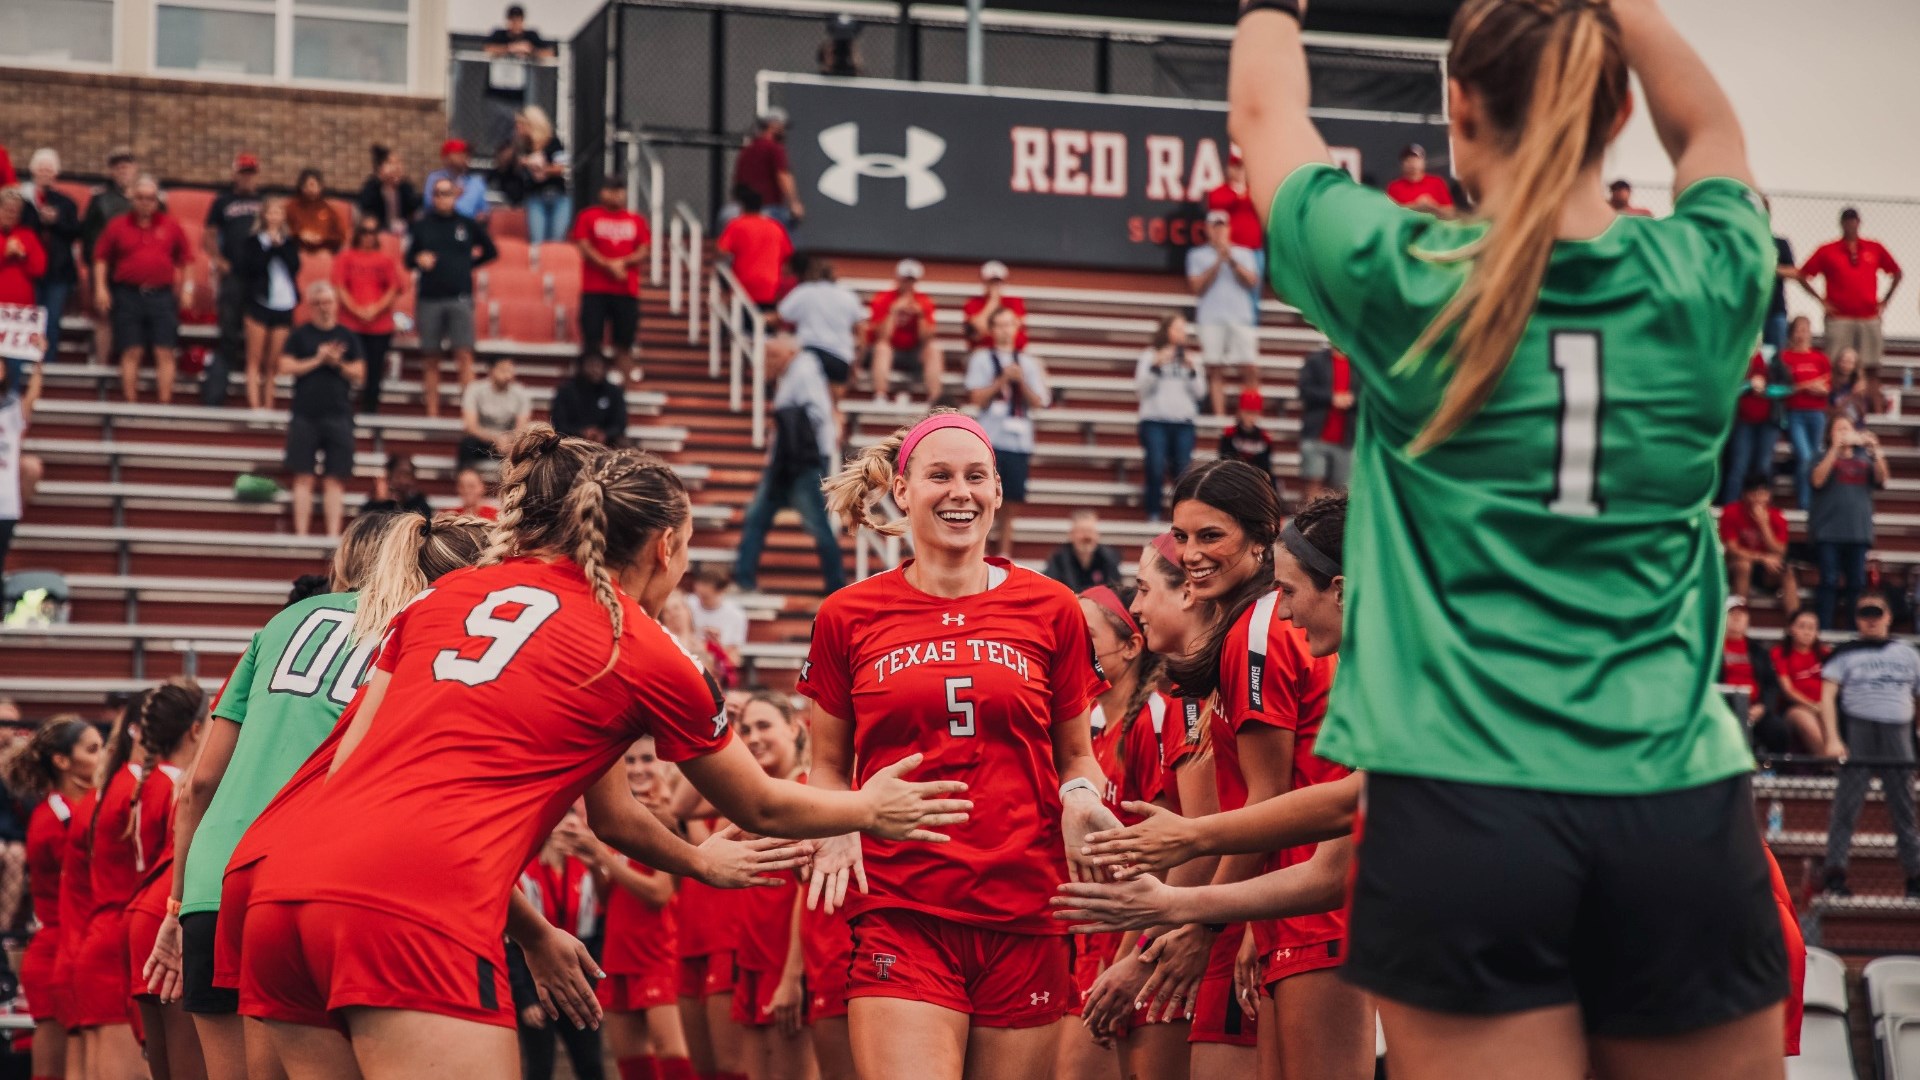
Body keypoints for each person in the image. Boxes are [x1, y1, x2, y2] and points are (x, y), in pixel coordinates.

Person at [1236, 0, 1787, 1075]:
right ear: (1614, 106)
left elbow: (1264, 113)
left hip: (1459, 808)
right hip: (1670, 797)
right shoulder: (1707, 277)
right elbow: (1712, 137)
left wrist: (1271, 8)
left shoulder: (1409, 275)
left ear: (1459, 112)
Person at [228, 430, 967, 1079]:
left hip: (280, 883)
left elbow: (352, 768)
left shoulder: (445, 595)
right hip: (412, 908)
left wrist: (699, 865)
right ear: (665, 546)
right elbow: (761, 802)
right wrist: (869, 808)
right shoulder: (643, 647)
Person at [804, 411, 1117, 1080]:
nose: (959, 492)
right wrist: (835, 822)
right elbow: (827, 764)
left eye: (977, 477)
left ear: (998, 491)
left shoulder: (1052, 606)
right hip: (903, 906)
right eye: (939, 476)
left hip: (1028, 909)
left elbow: (1075, 755)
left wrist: (1083, 797)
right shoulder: (845, 615)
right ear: (901, 490)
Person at [139, 514, 488, 1080]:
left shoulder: (285, 621)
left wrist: (175, 906)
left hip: (213, 880)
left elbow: (199, 783)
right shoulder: (425, 627)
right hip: (315, 880)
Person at [122, 680, 212, 1080]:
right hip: (169, 912)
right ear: (196, 728)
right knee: (189, 1066)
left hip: (143, 910)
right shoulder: (185, 783)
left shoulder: (145, 780)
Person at [7, 715, 102, 1080]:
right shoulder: (57, 817)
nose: (102, 756)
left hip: (80, 945)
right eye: (92, 750)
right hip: (59, 949)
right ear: (62, 761)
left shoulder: (84, 807)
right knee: (54, 1073)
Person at [589, 741, 691, 1080]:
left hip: (658, 950)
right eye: (629, 761)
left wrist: (600, 855)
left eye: (647, 759)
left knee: (672, 1057)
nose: (637, 768)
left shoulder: (666, 818)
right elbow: (607, 897)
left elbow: (659, 893)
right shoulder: (616, 819)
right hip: (619, 951)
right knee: (631, 1063)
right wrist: (593, 860)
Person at [728, 694, 812, 1080]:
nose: (753, 737)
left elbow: (806, 891)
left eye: (764, 726)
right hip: (752, 960)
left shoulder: (807, 789)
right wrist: (718, 731)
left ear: (794, 729)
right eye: (746, 730)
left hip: (788, 963)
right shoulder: (749, 799)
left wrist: (792, 977)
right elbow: (684, 805)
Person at [1818, 592, 1920, 900]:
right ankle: (1835, 874)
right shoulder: (1845, 653)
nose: (1872, 619)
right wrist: (1833, 738)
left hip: (1898, 732)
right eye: (1865, 613)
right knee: (1845, 807)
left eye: (1878, 613)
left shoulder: (1908, 653)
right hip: (1859, 731)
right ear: (1857, 618)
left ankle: (1915, 876)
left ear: (1889, 616)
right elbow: (1826, 696)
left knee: (1904, 808)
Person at [734, 339, 846, 593]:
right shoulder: (794, 372)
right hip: (786, 463)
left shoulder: (804, 370)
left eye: (773, 354)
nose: (768, 361)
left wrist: (794, 434)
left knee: (817, 524)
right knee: (757, 517)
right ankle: (743, 578)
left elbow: (817, 415)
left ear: (789, 352)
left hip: (802, 463)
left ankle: (836, 585)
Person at [514, 812, 607, 1080]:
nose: (569, 834)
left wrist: (592, 986)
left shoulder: (587, 873)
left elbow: (599, 931)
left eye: (575, 831)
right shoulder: (526, 873)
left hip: (578, 983)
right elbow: (511, 942)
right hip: (537, 983)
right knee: (540, 1068)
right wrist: (525, 999)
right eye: (564, 828)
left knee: (591, 1066)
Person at [93, 175, 191, 405]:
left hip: (162, 296)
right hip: (128, 295)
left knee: (164, 352)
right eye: (141, 197)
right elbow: (100, 258)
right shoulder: (117, 225)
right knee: (131, 351)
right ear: (133, 199)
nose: (145, 202)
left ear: (157, 201)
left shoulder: (171, 225)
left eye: (150, 198)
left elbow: (187, 259)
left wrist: (187, 288)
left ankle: (165, 404)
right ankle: (130, 403)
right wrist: (100, 288)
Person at [279, 282, 365, 538]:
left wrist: (336, 362)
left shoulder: (348, 336)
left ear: (334, 304)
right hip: (305, 413)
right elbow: (285, 366)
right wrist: (318, 359)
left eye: (327, 302)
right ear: (310, 306)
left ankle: (332, 536)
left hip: (338, 414)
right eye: (318, 303)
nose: (323, 308)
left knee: (334, 478)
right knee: (303, 476)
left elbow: (359, 373)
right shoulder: (300, 335)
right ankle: (301, 534)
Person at [965, 305, 1051, 558]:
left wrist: (1021, 381)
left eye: (1009, 325)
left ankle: (1003, 553)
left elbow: (1039, 402)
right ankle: (980, 550)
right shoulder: (982, 358)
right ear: (992, 330)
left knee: (1010, 502)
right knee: (984, 497)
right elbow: (977, 398)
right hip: (990, 438)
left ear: (1017, 328)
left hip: (1018, 441)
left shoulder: (1029, 362)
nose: (1005, 330)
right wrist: (1002, 380)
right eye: (999, 325)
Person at [408, 175, 498, 417]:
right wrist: (419, 259)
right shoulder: (422, 225)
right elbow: (408, 259)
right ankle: (432, 412)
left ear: (455, 196)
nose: (442, 198)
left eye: (447, 193)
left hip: (459, 297)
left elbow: (491, 251)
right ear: (432, 197)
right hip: (429, 298)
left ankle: (468, 413)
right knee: (430, 357)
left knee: (464, 354)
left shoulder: (467, 224)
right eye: (437, 194)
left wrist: (468, 264)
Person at [1799, 208, 1902, 379]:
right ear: (1841, 223)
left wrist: (1885, 301)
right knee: (1835, 364)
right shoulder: (1828, 250)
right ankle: (1835, 402)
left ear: (1859, 223)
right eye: (1847, 221)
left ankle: (1869, 403)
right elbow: (1803, 275)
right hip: (1839, 317)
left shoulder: (1873, 248)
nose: (1850, 224)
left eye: (1853, 220)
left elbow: (1897, 272)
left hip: (1868, 316)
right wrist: (1821, 301)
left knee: (1871, 366)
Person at [1810, 414, 1887, 629]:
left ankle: (1854, 629)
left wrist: (1877, 450)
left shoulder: (1865, 458)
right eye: (1838, 429)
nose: (1844, 433)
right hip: (1828, 530)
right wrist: (1835, 449)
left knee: (1856, 584)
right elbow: (1817, 480)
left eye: (1847, 428)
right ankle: (1824, 628)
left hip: (1858, 531)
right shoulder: (1820, 456)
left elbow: (1882, 479)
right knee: (1828, 581)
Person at [571, 173, 648, 379]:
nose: (616, 195)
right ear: (601, 192)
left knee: (624, 339)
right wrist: (608, 265)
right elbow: (583, 245)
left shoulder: (636, 220)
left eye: (620, 190)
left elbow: (643, 249)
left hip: (626, 290)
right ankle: (590, 378)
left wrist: (622, 263)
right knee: (592, 338)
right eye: (611, 189)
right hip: (595, 289)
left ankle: (623, 381)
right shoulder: (589, 216)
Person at [203, 153, 264, 406]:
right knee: (228, 334)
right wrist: (218, 260)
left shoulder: (264, 202)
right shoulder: (222, 201)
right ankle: (216, 393)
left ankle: (254, 392)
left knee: (257, 335)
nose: (247, 177)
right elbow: (209, 235)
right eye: (243, 172)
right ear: (234, 174)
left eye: (251, 172)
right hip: (234, 277)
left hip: (259, 278)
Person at [1187, 210, 1261, 416]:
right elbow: (1197, 287)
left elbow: (1252, 282)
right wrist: (1218, 262)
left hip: (1241, 317)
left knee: (1249, 368)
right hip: (1211, 318)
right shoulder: (1197, 255)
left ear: (1229, 229)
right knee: (1215, 368)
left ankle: (1248, 415)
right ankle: (1220, 417)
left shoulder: (1244, 253)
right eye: (1214, 227)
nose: (1219, 232)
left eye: (1222, 227)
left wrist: (1231, 260)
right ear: (1208, 230)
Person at [1134, 312, 1205, 522]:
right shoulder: (1149, 355)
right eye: (1177, 328)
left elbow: (1201, 393)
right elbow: (1140, 389)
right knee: (1155, 465)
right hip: (1155, 420)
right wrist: (1156, 366)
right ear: (1166, 330)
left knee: (1183, 471)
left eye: (1183, 329)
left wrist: (1192, 370)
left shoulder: (1193, 359)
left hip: (1183, 422)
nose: (1182, 333)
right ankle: (1153, 511)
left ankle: (1180, 516)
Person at [332, 215, 406, 413]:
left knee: (374, 371)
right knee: (345, 368)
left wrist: (375, 309)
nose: (368, 236)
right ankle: (342, 408)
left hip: (379, 326)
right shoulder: (345, 257)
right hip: (349, 324)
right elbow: (340, 287)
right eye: (364, 231)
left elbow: (393, 289)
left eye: (372, 232)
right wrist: (356, 309)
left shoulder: (385, 260)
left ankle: (369, 411)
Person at [237, 196, 302, 410]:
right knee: (255, 358)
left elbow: (294, 265)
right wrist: (269, 249)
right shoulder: (253, 242)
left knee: (273, 362)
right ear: (264, 215)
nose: (274, 216)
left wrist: (279, 247)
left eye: (278, 212)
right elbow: (251, 268)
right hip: (259, 302)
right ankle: (254, 405)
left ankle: (268, 404)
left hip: (283, 303)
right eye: (271, 212)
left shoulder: (289, 242)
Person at [23, 149, 82, 374]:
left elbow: (75, 232)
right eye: (41, 169)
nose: (45, 173)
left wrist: (56, 221)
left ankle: (48, 363)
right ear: (33, 171)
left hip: (58, 272)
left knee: (52, 317)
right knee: (30, 316)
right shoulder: (25, 202)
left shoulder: (66, 203)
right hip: (31, 271)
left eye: (49, 169)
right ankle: (27, 357)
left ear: (55, 173)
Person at [775, 256, 864, 387]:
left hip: (810, 356)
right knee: (833, 405)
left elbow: (780, 316)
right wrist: (856, 364)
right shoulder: (848, 295)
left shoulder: (805, 291)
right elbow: (862, 333)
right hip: (841, 358)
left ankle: (769, 387)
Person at [865, 260, 941, 404]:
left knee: (933, 349)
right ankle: (880, 395)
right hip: (889, 350)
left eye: (911, 280)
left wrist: (920, 316)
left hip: (913, 352)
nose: (908, 284)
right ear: (898, 279)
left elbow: (927, 338)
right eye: (905, 280)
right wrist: (893, 312)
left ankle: (935, 399)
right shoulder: (883, 299)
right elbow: (882, 336)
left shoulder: (924, 301)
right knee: (882, 348)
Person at [1719, 475, 1796, 616]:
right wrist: (1762, 557)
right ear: (1745, 495)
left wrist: (1764, 525)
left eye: (1764, 494)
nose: (1759, 499)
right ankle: (1739, 615)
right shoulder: (1731, 512)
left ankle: (1794, 619)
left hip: (1765, 570)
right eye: (1755, 494)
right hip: (1735, 566)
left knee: (1787, 571)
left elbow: (1780, 551)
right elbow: (1732, 549)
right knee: (1744, 565)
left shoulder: (1776, 516)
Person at [497, 106, 571, 245]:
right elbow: (503, 165)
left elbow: (561, 168)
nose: (519, 128)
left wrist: (537, 166)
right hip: (535, 196)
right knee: (537, 239)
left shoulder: (553, 142)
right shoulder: (522, 146)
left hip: (557, 195)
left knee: (556, 240)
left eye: (522, 124)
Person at [1779, 315, 1831, 510]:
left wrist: (1819, 388)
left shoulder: (1819, 358)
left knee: (1815, 457)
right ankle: (1805, 504)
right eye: (1798, 329)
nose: (1802, 334)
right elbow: (1784, 388)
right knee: (1805, 457)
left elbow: (1827, 386)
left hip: (1817, 413)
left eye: (1805, 329)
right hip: (1795, 413)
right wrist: (1808, 385)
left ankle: (1814, 501)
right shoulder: (1786, 357)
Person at [716, 186, 793, 311]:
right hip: (771, 286)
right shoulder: (776, 227)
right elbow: (788, 256)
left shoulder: (736, 225)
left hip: (742, 286)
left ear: (742, 207)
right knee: (764, 326)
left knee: (741, 325)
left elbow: (721, 252)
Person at [1722, 349, 1783, 506]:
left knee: (1764, 466)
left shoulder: (1774, 357)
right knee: (1739, 466)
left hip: (1768, 421)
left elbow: (1787, 388)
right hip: (1742, 421)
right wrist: (1749, 385)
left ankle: (1762, 508)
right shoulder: (1738, 353)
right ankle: (1731, 507)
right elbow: (1725, 386)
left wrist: (1766, 389)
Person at [1719, 596, 1779, 750]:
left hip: (1755, 708)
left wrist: (1763, 706)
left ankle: (1770, 768)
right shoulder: (1713, 649)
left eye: (1742, 613)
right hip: (1724, 707)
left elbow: (1770, 684)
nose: (1738, 617)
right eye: (1732, 613)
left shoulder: (1759, 651)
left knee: (1778, 729)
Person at [0, 190, 46, 388]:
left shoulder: (27, 235)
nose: (12, 214)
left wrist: (23, 255)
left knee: (13, 366)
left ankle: (9, 409)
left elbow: (40, 269)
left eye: (15, 211)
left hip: (17, 316)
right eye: (7, 210)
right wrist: (4, 253)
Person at [1296, 347, 1354, 500]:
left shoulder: (1358, 364)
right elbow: (1304, 390)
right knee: (1313, 482)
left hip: (1346, 438)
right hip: (1317, 434)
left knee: (1342, 489)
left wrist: (1351, 399)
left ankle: (1335, 522)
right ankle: (1309, 520)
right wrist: (1331, 398)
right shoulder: (1316, 360)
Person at [1768, 609, 1828, 755]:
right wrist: (1813, 706)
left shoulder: (1826, 654)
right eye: (1802, 626)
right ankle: (1830, 767)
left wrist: (1824, 707)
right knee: (1805, 720)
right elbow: (1788, 690)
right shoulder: (1779, 653)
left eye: (1812, 628)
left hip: (1824, 706)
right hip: (1794, 709)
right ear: (1791, 629)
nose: (1807, 632)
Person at [732, 109, 803, 227]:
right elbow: (783, 176)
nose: (784, 131)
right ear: (773, 126)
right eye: (783, 127)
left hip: (742, 211)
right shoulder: (774, 148)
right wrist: (794, 203)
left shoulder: (749, 148)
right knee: (783, 235)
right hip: (768, 209)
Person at [460, 357, 534, 467]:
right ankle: (467, 479)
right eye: (503, 370)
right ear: (491, 370)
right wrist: (496, 438)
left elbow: (521, 428)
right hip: (483, 441)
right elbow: (470, 426)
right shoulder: (474, 389)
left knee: (526, 447)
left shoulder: (521, 393)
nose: (508, 375)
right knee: (467, 444)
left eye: (510, 371)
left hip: (509, 442)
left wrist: (507, 440)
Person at [551, 351, 629, 445]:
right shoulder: (566, 391)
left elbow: (620, 424)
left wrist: (604, 434)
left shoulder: (614, 392)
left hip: (606, 443)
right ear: (581, 367)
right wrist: (581, 432)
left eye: (598, 366)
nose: (595, 370)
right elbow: (558, 423)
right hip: (572, 443)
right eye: (591, 365)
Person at [1043, 510, 1123, 593]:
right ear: (1071, 535)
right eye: (1081, 531)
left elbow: (1115, 591)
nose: (1086, 536)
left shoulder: (1109, 558)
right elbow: (1051, 589)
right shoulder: (1058, 559)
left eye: (1090, 531)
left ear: (1097, 535)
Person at [1207, 147, 1266, 261]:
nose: (1239, 170)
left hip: (1254, 249)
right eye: (1235, 166)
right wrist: (1239, 195)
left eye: (1242, 166)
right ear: (1228, 168)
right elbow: (1215, 204)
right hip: (1230, 250)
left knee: (1254, 278)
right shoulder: (1219, 191)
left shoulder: (1255, 190)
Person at [689, 568, 748, 676]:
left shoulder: (736, 615)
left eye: (707, 597)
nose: (702, 600)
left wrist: (717, 646)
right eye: (700, 595)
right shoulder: (687, 606)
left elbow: (734, 658)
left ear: (721, 591)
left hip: (717, 668)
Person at [962, 261, 1027, 353]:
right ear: (984, 282)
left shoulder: (1014, 301)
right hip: (983, 353)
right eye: (991, 282)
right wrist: (993, 300)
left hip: (1013, 353)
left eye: (998, 282)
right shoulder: (973, 303)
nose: (995, 286)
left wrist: (990, 329)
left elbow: (1013, 329)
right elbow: (977, 331)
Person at [357, 144, 420, 235]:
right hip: (378, 233)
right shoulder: (372, 186)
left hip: (404, 233)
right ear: (380, 168)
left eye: (399, 163)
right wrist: (380, 180)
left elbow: (414, 209)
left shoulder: (405, 187)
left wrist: (401, 183)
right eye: (391, 163)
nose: (397, 167)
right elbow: (365, 207)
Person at [425, 139, 492, 223]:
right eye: (460, 153)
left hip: (469, 229)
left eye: (467, 153)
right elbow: (428, 206)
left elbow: (485, 211)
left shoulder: (476, 182)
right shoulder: (435, 178)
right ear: (446, 158)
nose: (466, 156)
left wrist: (483, 216)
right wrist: (451, 195)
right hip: (441, 226)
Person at [1216, 389, 1275, 482]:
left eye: (1254, 413)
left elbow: (1266, 467)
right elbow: (1223, 461)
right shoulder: (1229, 434)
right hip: (1231, 479)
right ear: (1240, 412)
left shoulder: (1264, 438)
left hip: (1255, 481)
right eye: (1248, 412)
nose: (1250, 417)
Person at [287, 168, 347, 255]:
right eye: (309, 185)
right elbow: (282, 232)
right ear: (302, 187)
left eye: (314, 185)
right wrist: (299, 234)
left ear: (321, 187)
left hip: (323, 254)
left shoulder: (329, 210)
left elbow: (340, 236)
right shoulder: (291, 208)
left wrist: (323, 238)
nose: (311, 189)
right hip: (296, 252)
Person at [1383, 143, 1453, 217]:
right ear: (1402, 165)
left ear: (1423, 162)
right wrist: (1415, 206)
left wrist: (1432, 206)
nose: (1412, 164)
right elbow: (1389, 214)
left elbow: (1450, 212)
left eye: (1416, 160)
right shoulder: (1394, 187)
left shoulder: (1437, 182)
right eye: (1408, 160)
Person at [364, 453, 434, 518]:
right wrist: (380, 503)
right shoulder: (375, 505)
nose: (403, 480)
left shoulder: (420, 505)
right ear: (390, 476)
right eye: (399, 475)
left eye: (407, 475)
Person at [1765, 214, 1796, 352]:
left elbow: (1793, 272)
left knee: (1777, 356)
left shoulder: (1780, 243)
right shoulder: (1742, 242)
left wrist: (1765, 267)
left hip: (1775, 310)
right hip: (1747, 310)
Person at [485, 4, 556, 59]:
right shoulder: (500, 34)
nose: (515, 24)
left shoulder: (531, 35)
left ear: (522, 21)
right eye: (513, 20)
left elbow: (549, 53)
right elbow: (488, 49)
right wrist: (510, 48)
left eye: (518, 20)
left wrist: (531, 50)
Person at [1829, 348, 1870, 427]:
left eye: (1850, 362)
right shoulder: (1831, 384)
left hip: (1856, 425)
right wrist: (1851, 395)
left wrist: (1860, 395)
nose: (1846, 365)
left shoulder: (1860, 385)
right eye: (1844, 361)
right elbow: (1832, 409)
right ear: (1838, 362)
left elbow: (1863, 412)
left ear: (1855, 365)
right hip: (1837, 425)